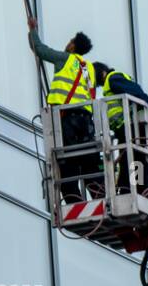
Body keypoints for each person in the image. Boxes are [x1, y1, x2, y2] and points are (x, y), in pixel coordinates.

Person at [28, 23, 98, 199]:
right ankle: (100, 197)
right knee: (89, 161)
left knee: (67, 161)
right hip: (87, 121)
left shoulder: (65, 59)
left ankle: (73, 200)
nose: (67, 43)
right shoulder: (89, 68)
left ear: (73, 45)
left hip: (69, 119)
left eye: (70, 41)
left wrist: (33, 30)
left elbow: (40, 50)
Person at [93, 62, 148, 195]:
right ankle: (132, 188)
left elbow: (134, 90)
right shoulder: (113, 80)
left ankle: (136, 189)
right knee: (130, 159)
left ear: (102, 72)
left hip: (129, 128)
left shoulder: (113, 78)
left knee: (132, 159)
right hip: (125, 128)